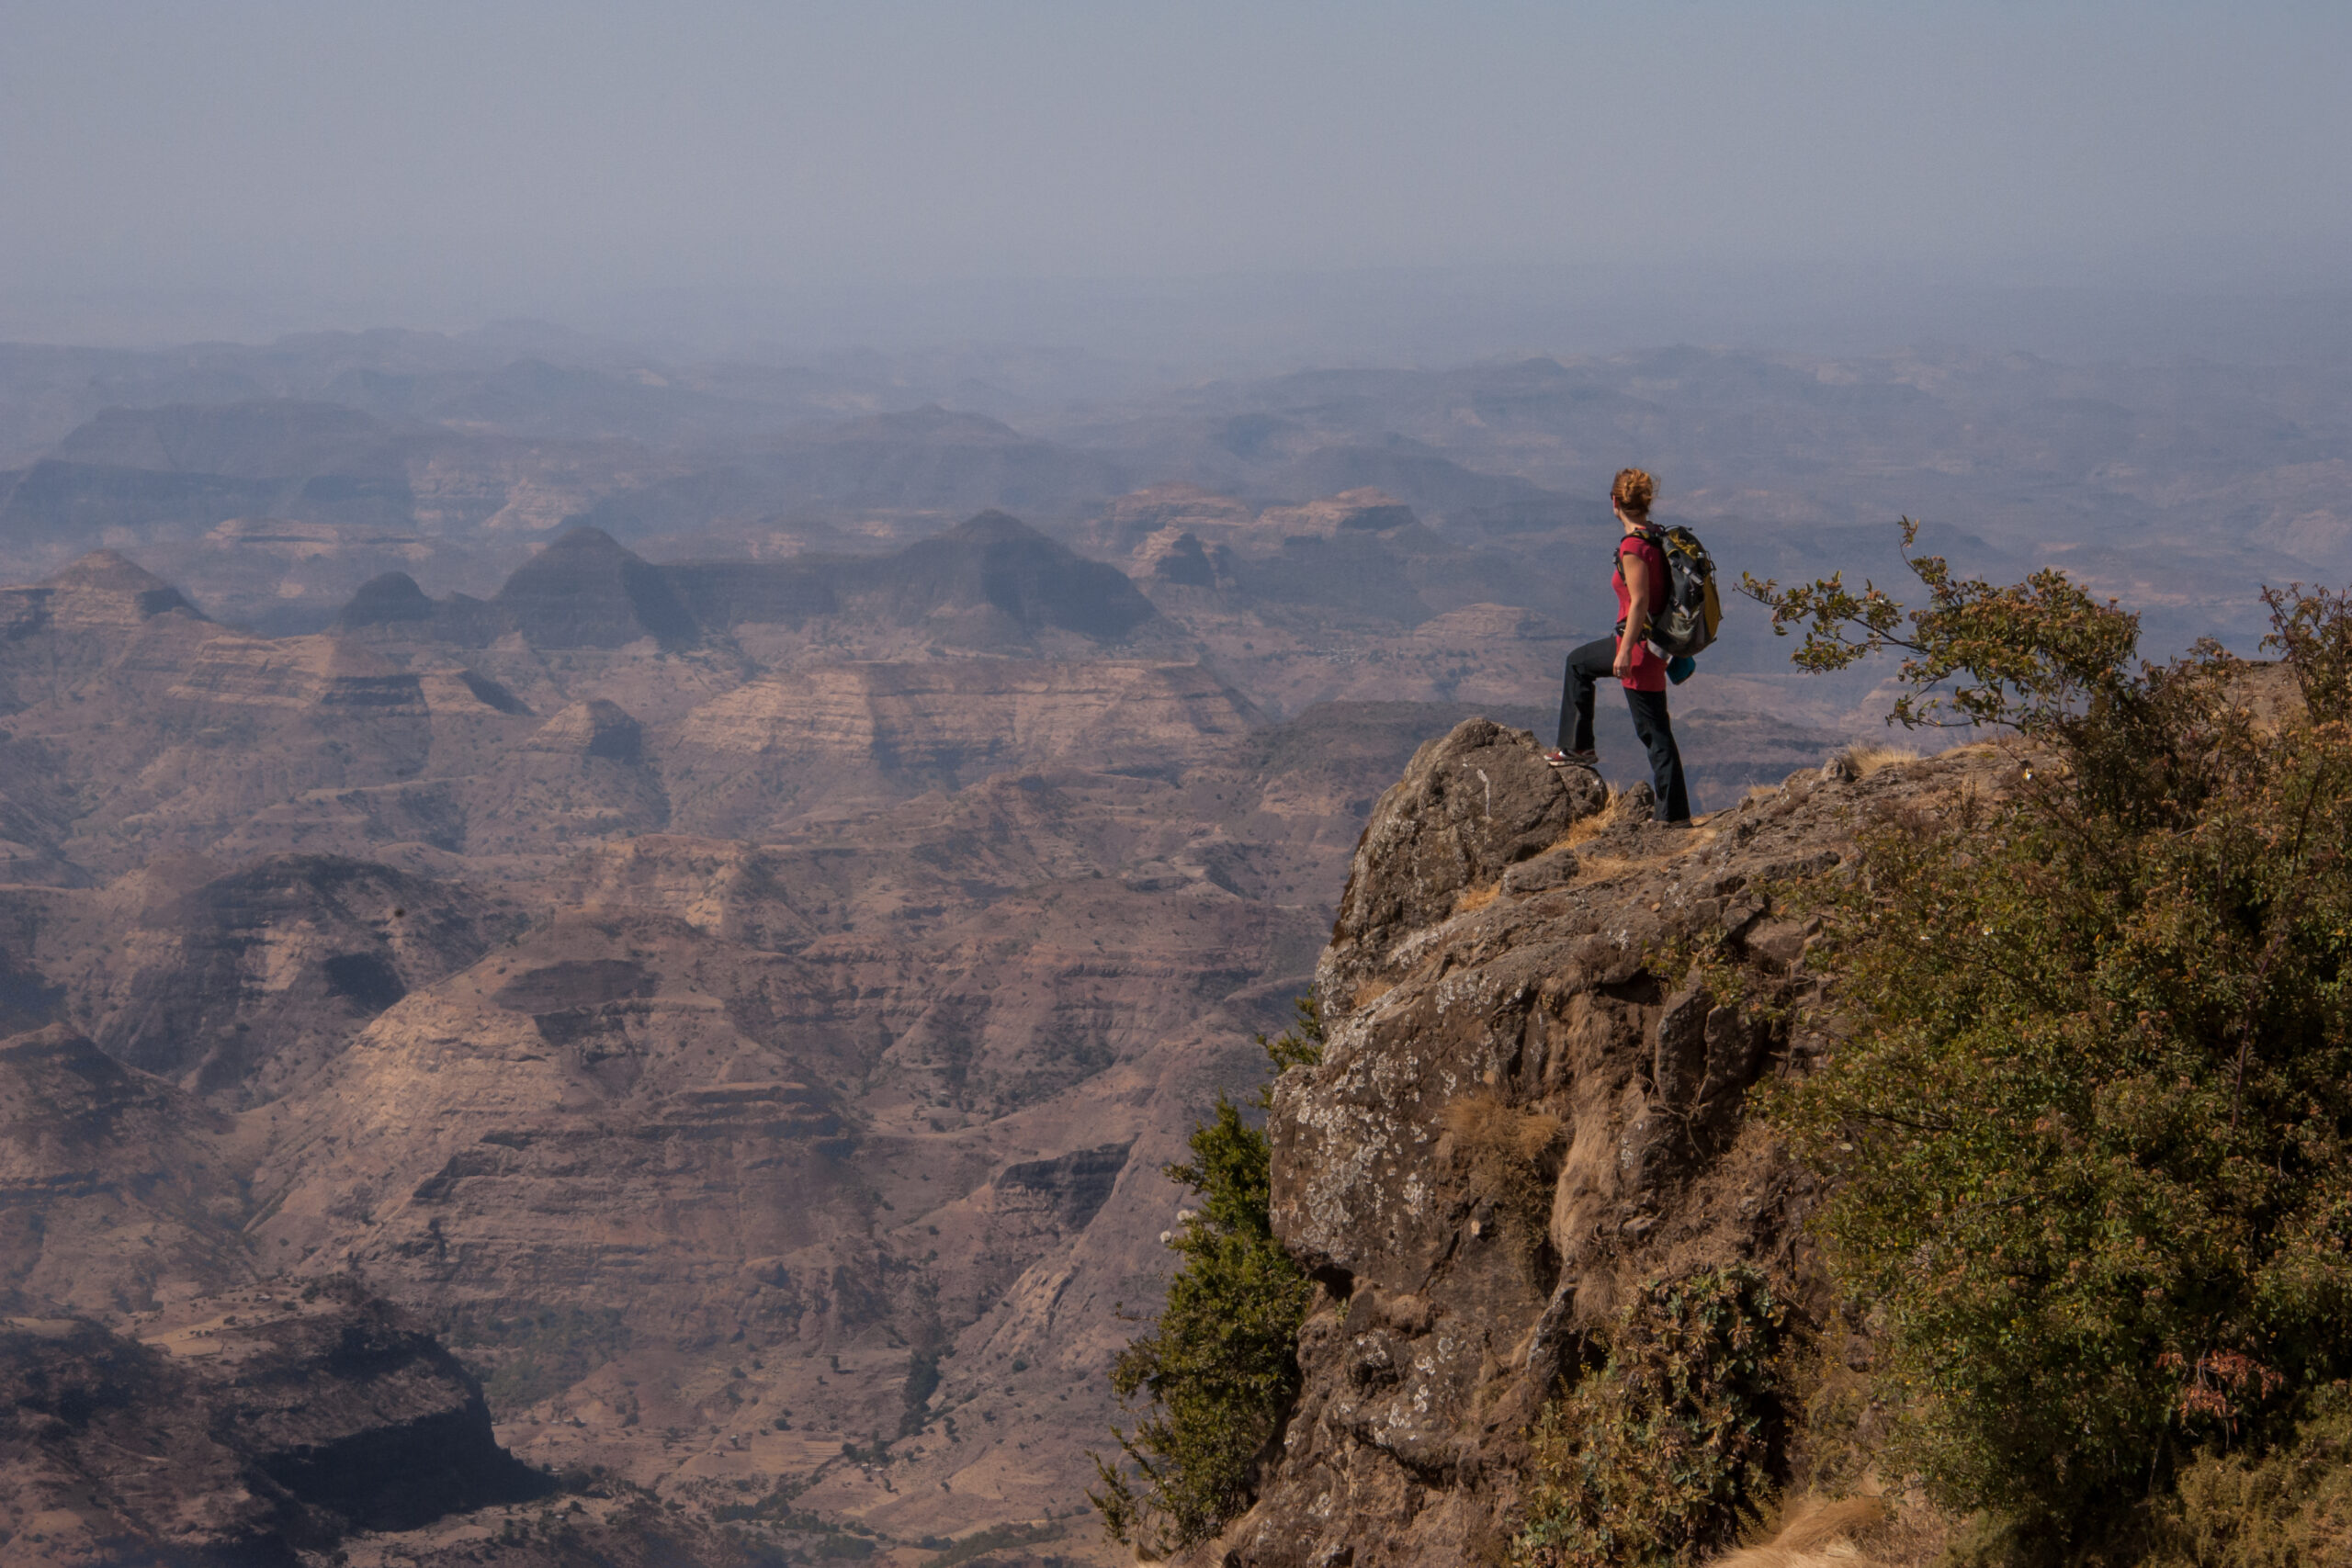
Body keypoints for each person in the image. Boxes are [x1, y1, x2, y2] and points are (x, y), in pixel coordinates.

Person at [1545, 468, 1691, 823]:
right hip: (1650, 644)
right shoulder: (1656, 536)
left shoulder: (1634, 547)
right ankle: (1579, 746)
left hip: (1639, 647)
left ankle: (1672, 817)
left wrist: (1625, 651)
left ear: (1614, 502)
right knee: (1580, 664)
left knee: (1654, 733)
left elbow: (1640, 601)